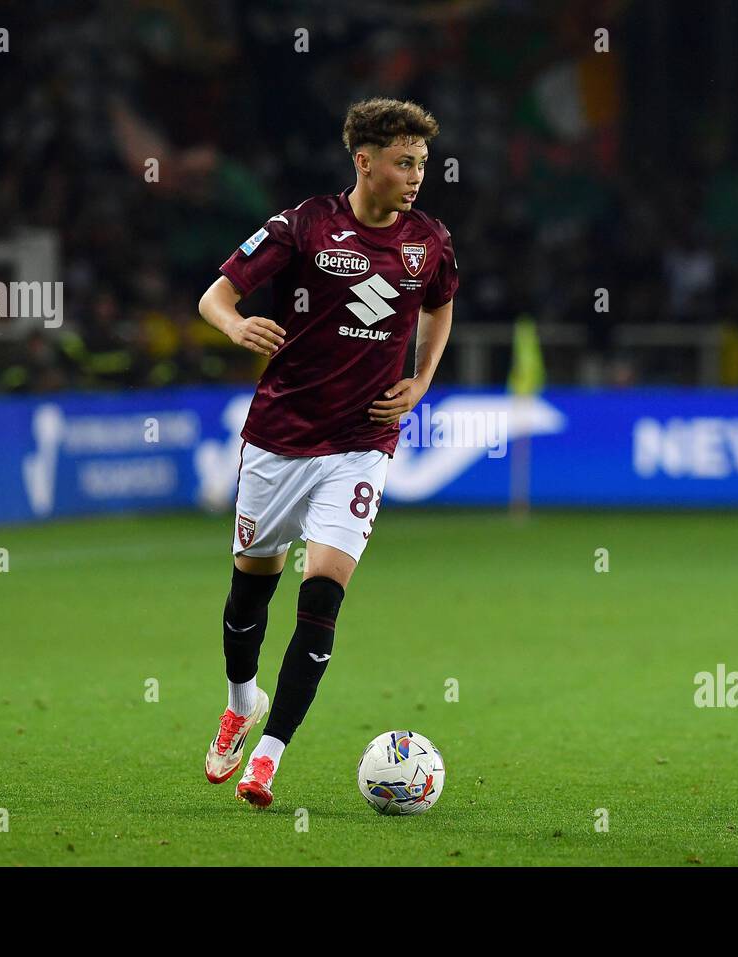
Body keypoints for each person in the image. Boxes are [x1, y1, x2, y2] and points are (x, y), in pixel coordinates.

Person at [195, 98, 458, 808]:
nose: (416, 177)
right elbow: (214, 296)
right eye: (404, 163)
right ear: (363, 162)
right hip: (279, 438)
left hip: (362, 445)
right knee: (250, 593)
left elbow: (439, 304)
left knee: (324, 592)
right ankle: (242, 700)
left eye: (423, 164)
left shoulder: (428, 240)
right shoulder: (304, 225)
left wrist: (422, 379)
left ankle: (269, 759)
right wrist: (235, 325)